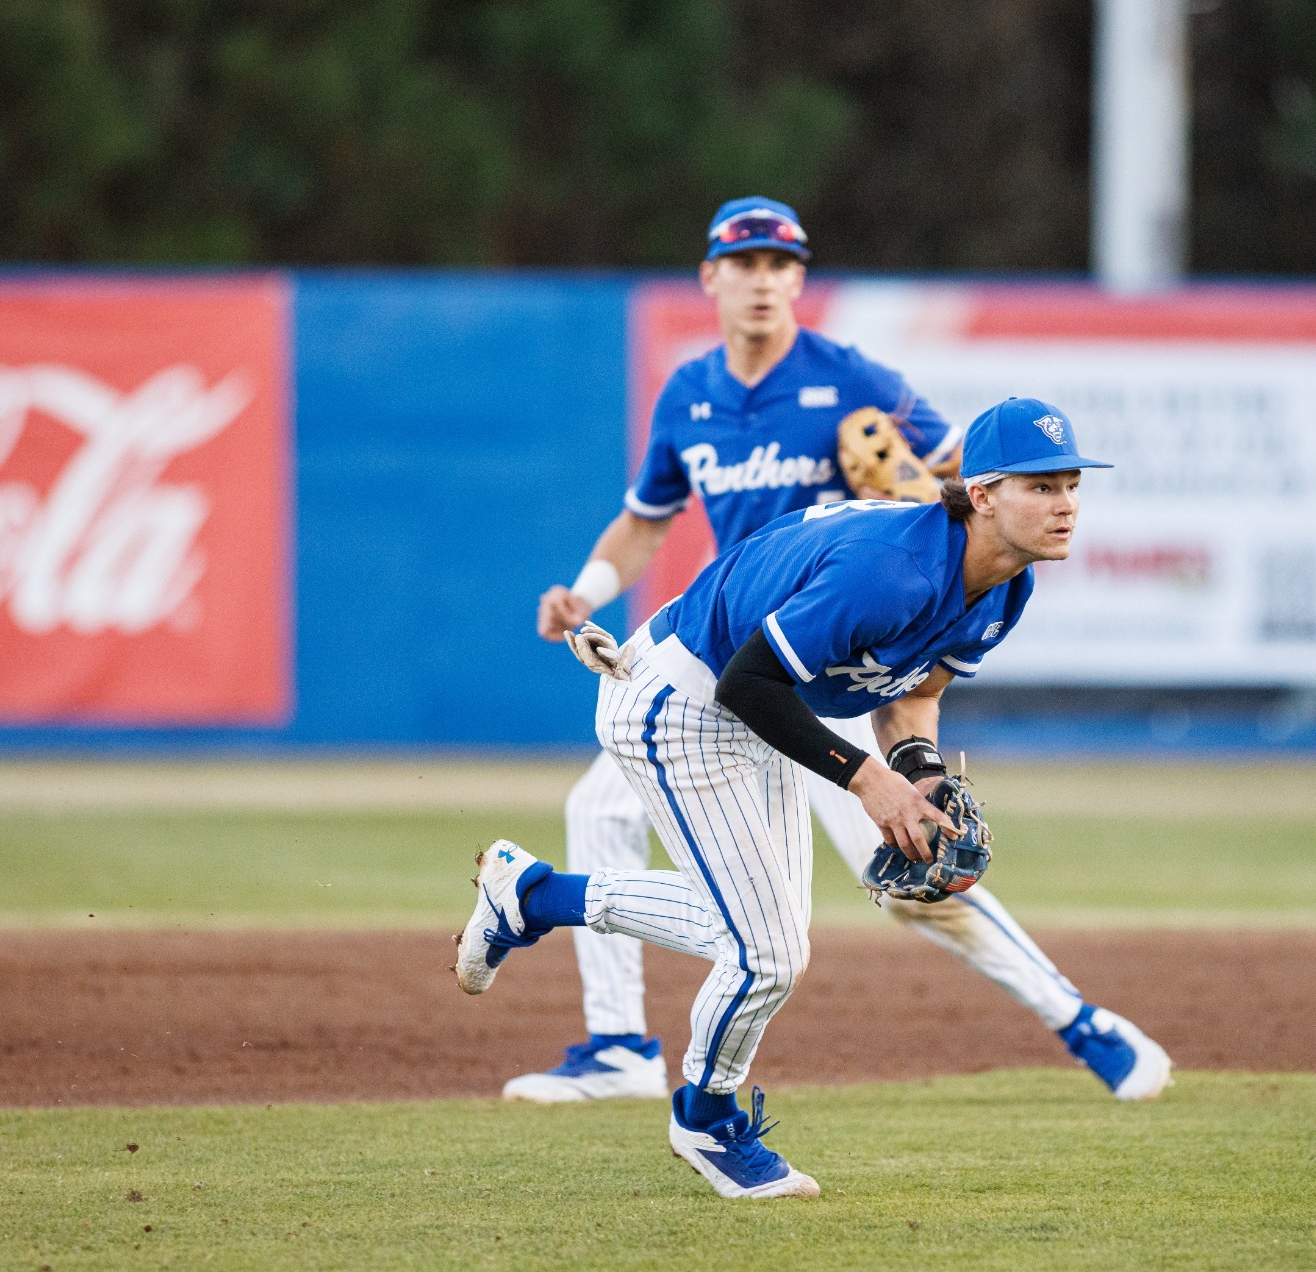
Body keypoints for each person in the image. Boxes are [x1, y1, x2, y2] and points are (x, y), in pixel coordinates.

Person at [510, 196, 1171, 1106]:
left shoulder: (853, 378)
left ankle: (1077, 1017)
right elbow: (645, 520)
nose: (764, 280)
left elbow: (964, 485)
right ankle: (619, 1042)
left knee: (908, 873)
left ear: (801, 279)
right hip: (731, 654)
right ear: (711, 278)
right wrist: (585, 593)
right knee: (601, 809)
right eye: (744, 263)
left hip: (850, 656)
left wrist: (904, 483)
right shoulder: (689, 394)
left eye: (783, 263)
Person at [454, 398, 1122, 1199]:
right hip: (683, 696)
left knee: (761, 938)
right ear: (981, 495)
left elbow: (914, 691)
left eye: (1072, 484)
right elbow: (749, 681)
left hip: (749, 703)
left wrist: (919, 767)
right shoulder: (892, 569)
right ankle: (705, 1117)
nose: (1065, 505)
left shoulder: (1005, 586)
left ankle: (531, 895)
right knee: (766, 951)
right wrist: (869, 779)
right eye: (1040, 486)